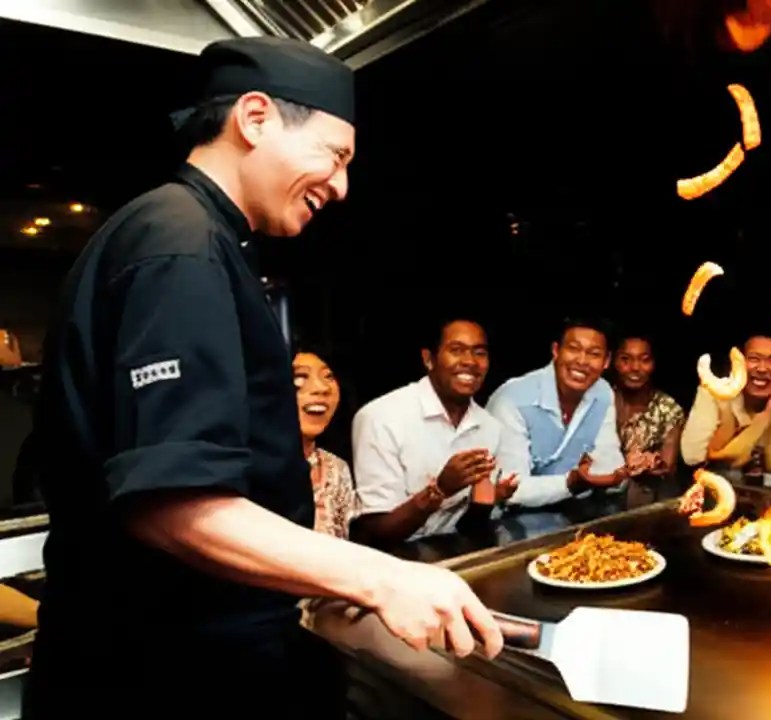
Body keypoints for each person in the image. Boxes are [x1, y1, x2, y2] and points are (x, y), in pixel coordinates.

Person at [22, 37, 500, 718]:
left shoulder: (200, 239)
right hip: (152, 677)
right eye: (335, 156)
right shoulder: (178, 244)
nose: (341, 186)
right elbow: (174, 503)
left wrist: (312, 574)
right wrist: (378, 576)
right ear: (255, 119)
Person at [351, 318, 517, 546]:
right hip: (396, 562)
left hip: (455, 557)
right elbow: (377, 533)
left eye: (479, 353)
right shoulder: (381, 417)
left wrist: (491, 499)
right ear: (429, 359)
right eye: (456, 350)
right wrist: (441, 489)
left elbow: (468, 527)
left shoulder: (490, 427)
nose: (470, 361)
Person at [487, 318, 639, 514]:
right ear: (556, 350)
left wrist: (628, 469)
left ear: (607, 361)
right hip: (507, 522)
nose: (582, 361)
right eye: (574, 349)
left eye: (594, 354)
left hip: (569, 515)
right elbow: (512, 489)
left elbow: (608, 462)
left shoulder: (602, 392)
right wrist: (571, 483)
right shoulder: (512, 400)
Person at [681, 332, 771, 477]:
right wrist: (768, 414)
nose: (762, 369)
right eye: (754, 359)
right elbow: (692, 456)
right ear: (737, 362)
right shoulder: (714, 391)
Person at [612, 334, 685, 506]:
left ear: (653, 364)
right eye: (626, 359)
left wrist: (651, 464)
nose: (635, 367)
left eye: (644, 360)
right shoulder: (601, 400)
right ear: (612, 361)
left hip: (644, 493)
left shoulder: (668, 408)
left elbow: (668, 466)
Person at [294, 346, 357, 539]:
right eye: (300, 378)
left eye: (328, 376)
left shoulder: (336, 468)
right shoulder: (247, 468)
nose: (322, 388)